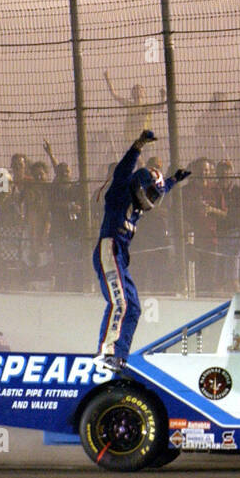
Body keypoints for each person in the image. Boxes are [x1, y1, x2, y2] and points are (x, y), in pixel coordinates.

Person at [92, 130, 189, 370]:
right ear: (139, 186)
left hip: (121, 258)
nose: (154, 199)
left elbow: (161, 187)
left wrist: (174, 180)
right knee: (120, 303)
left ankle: (120, 355)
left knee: (134, 307)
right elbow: (123, 171)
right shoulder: (119, 195)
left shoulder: (140, 203)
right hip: (109, 250)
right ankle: (106, 353)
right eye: (152, 194)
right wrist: (138, 146)